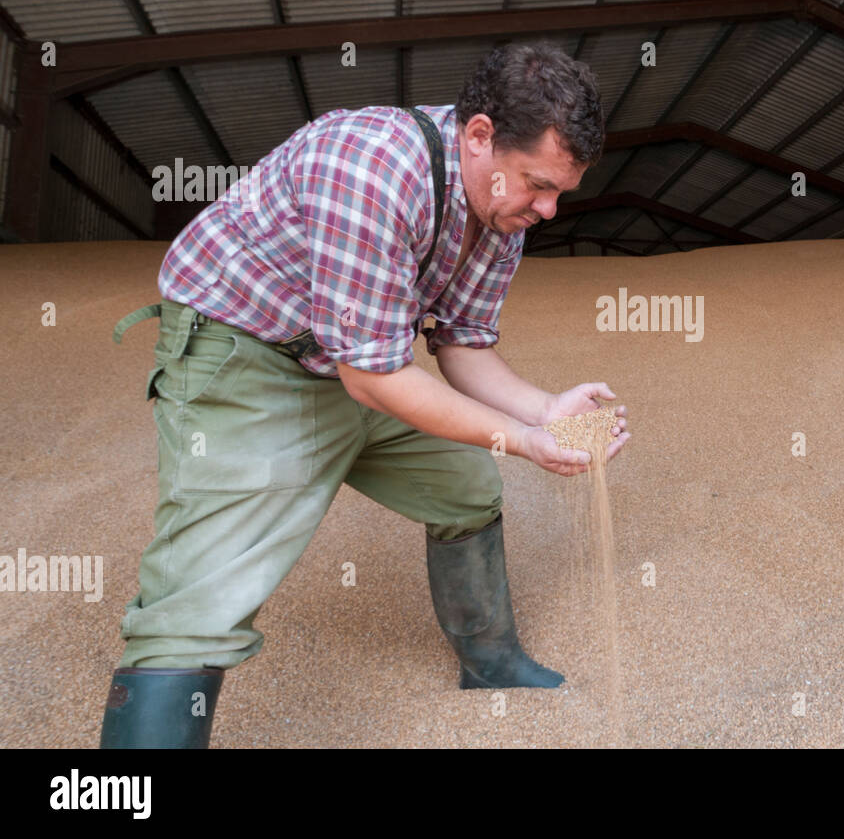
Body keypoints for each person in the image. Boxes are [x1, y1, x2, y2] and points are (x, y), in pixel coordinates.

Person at [100, 41, 630, 748]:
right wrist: (524, 443)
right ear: (478, 136)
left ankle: (492, 663)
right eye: (538, 183)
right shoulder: (373, 168)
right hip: (245, 359)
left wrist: (543, 412)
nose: (550, 207)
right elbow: (375, 379)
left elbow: (460, 342)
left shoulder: (500, 212)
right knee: (202, 598)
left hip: (350, 359)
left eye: (560, 190)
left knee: (467, 484)